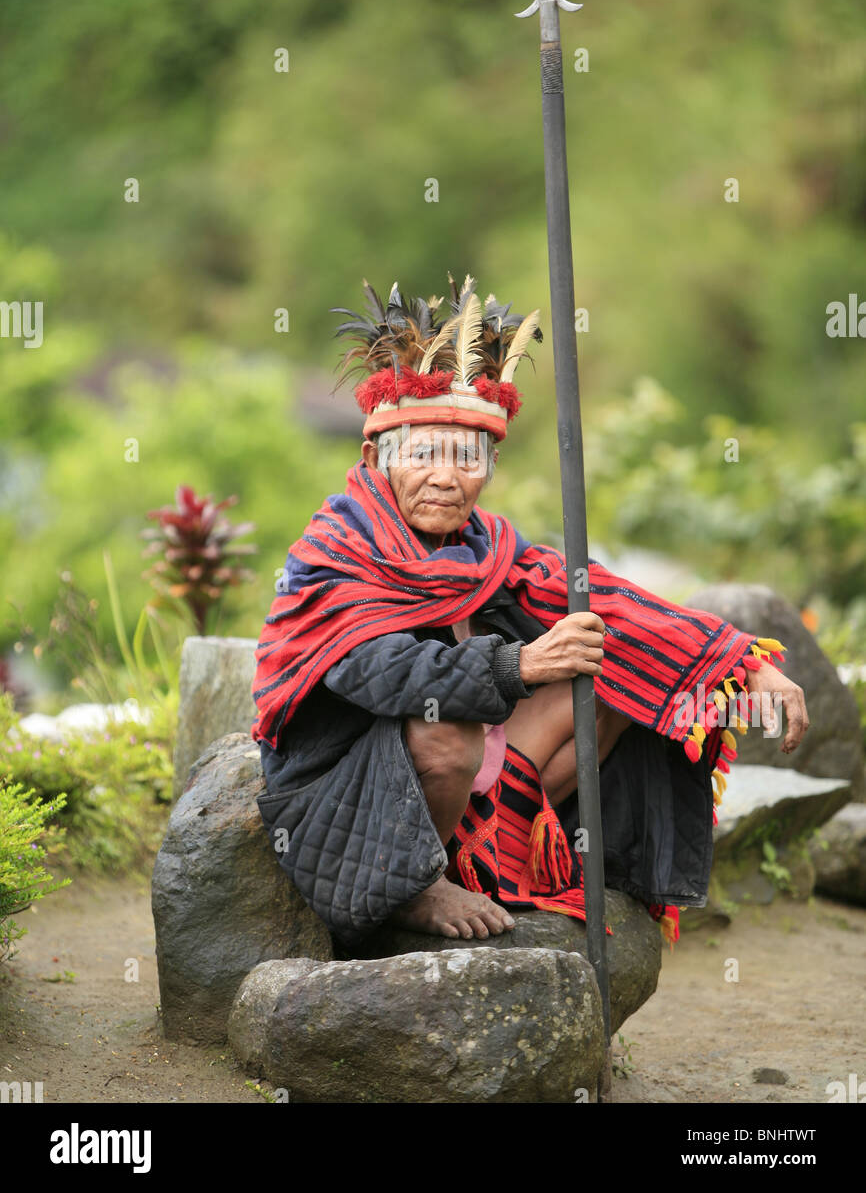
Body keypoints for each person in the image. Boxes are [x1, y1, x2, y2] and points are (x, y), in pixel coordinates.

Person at [250, 277, 809, 950]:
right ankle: (414, 888)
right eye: (422, 453)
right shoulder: (334, 554)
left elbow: (611, 602)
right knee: (445, 732)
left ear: (491, 466)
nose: (446, 477)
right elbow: (382, 672)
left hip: (474, 787)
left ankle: (499, 851)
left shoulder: (488, 550)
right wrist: (519, 662)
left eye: (468, 458)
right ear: (376, 458)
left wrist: (744, 668)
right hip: (350, 791)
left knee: (617, 669)